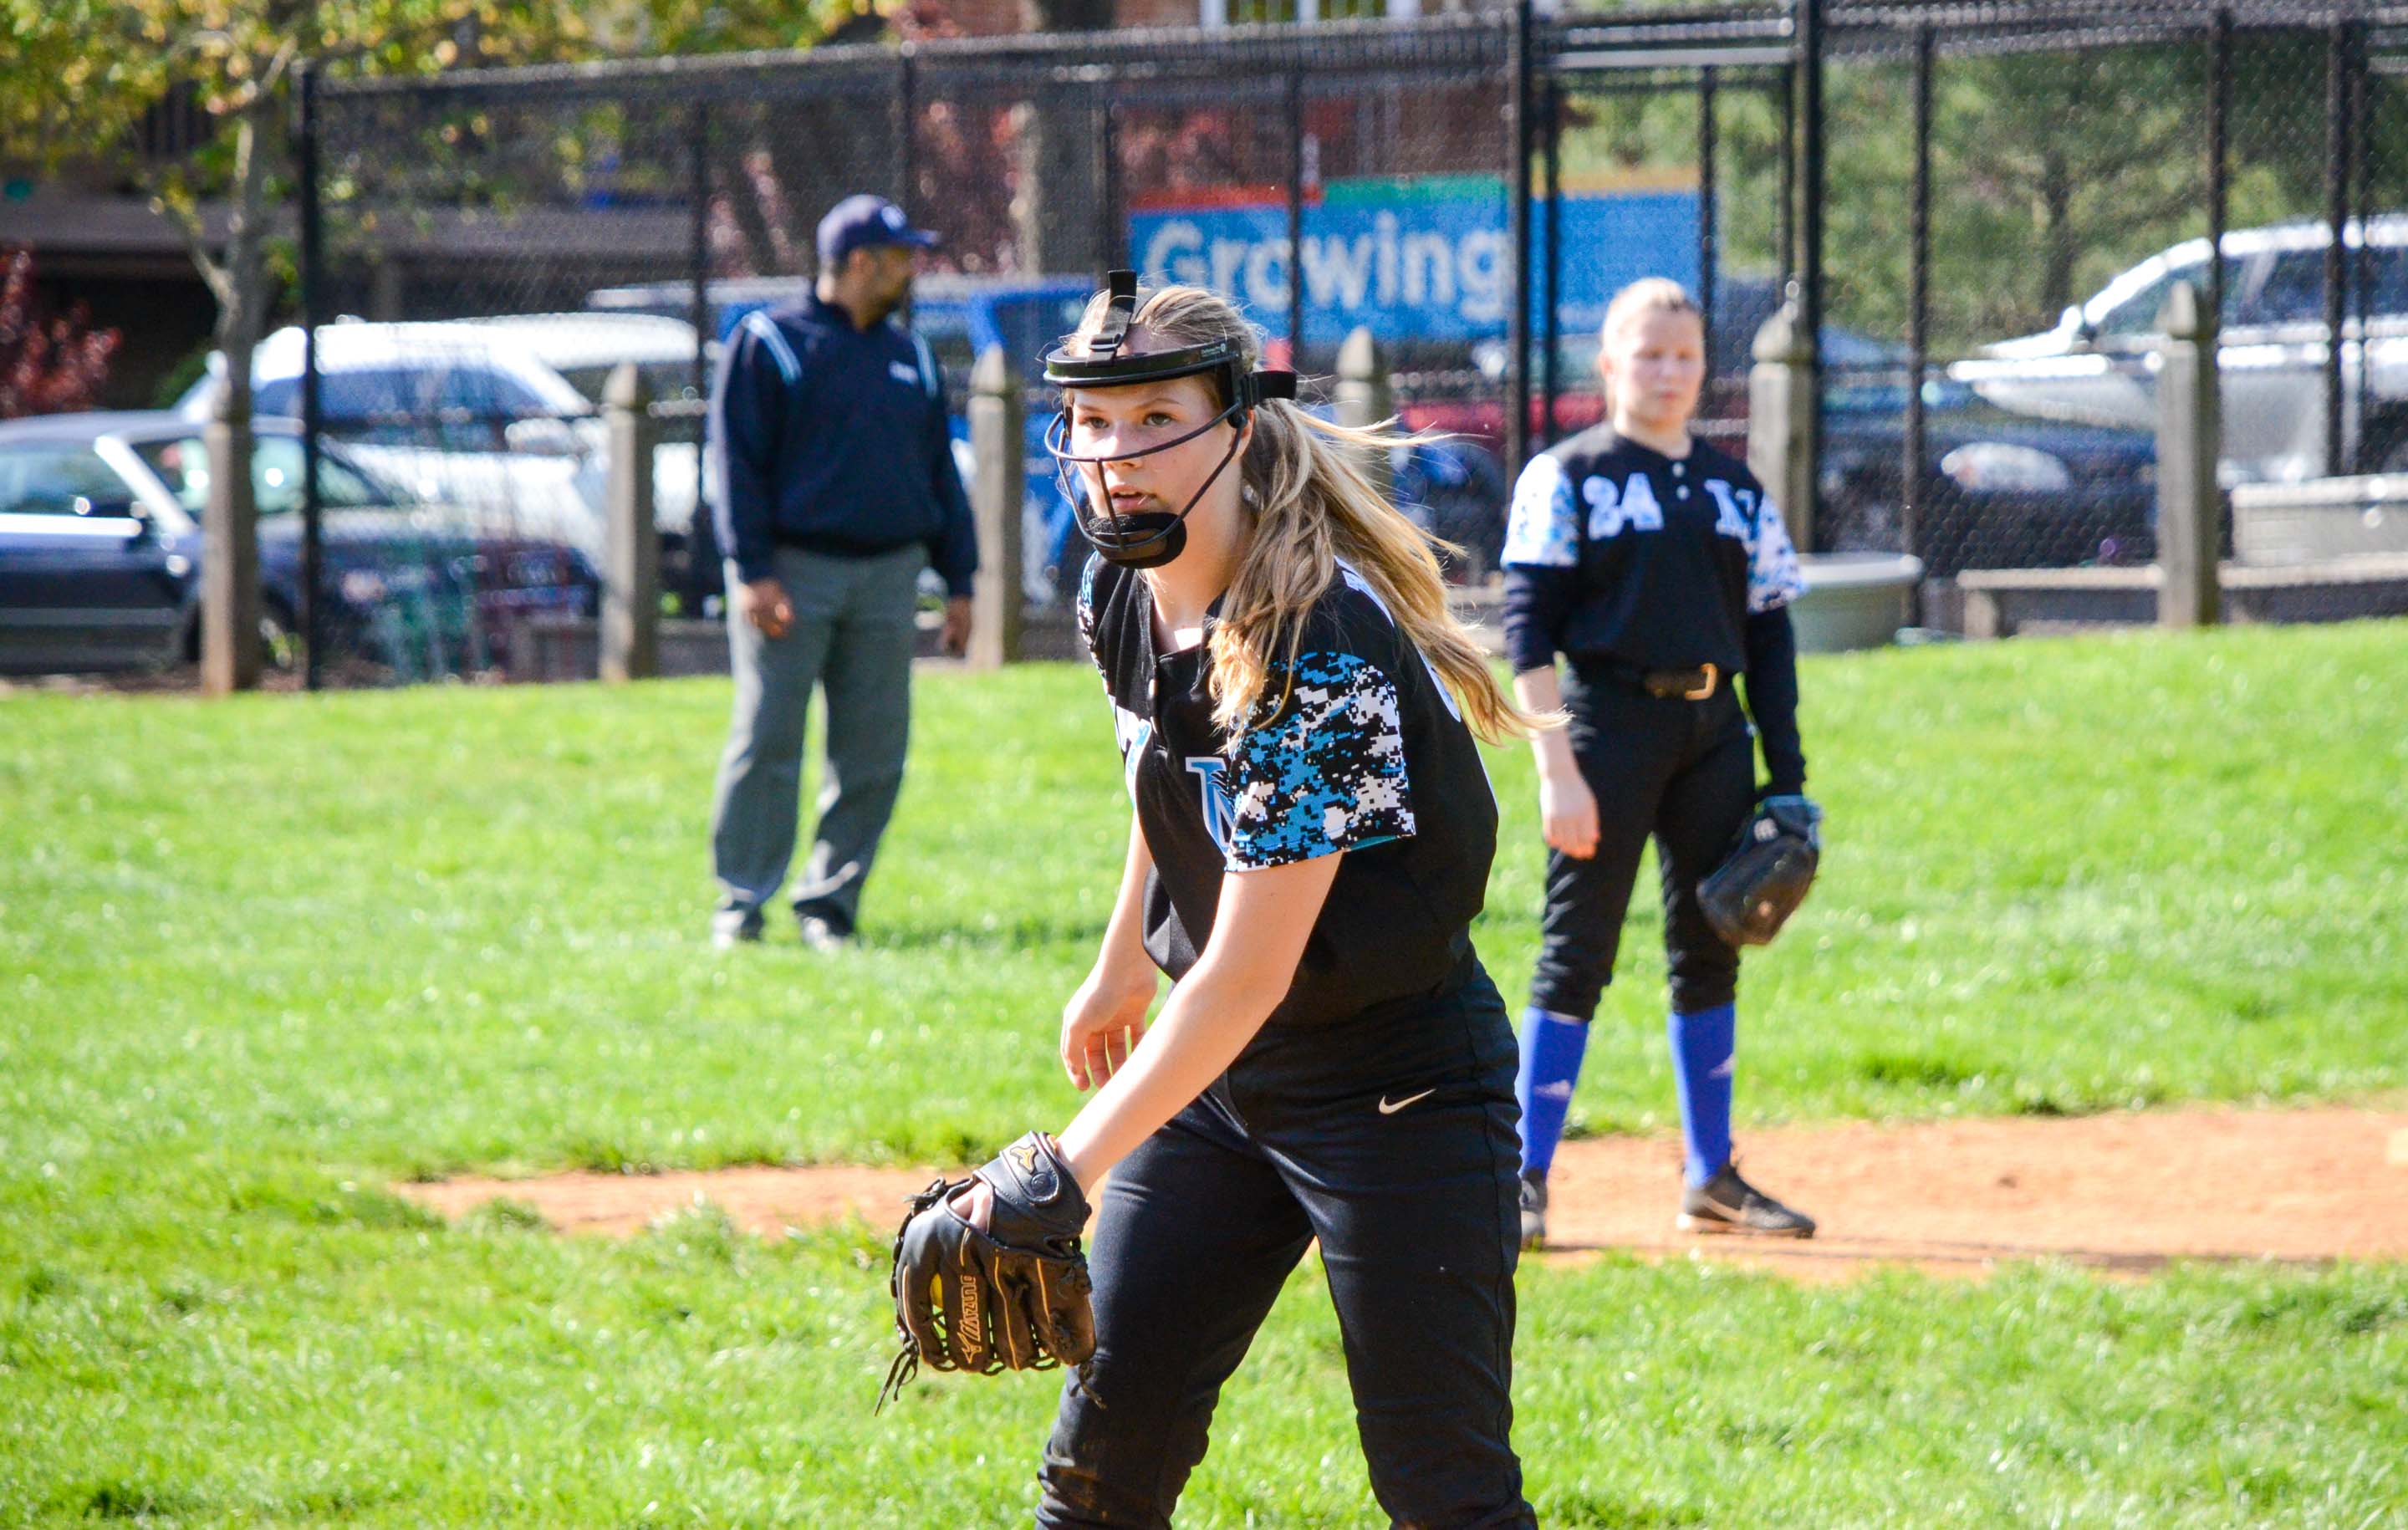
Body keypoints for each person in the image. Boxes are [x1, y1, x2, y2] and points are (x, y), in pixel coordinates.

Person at [911, 275, 1547, 1528]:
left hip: (1396, 1088)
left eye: (1155, 418)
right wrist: (1124, 961)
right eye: (1092, 425)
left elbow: (1253, 969)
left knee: (1443, 1489)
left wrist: (1061, 1166)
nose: (1116, 457)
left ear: (1240, 428)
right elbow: (1174, 784)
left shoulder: (1322, 643)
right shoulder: (1123, 592)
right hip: (1221, 1078)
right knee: (1100, 1466)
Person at [1501, 277, 1817, 1247]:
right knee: (1577, 952)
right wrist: (1557, 767)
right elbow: (1527, 631)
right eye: (1648, 354)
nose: (1668, 372)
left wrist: (1788, 779)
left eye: (1684, 356)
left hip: (1714, 733)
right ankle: (1522, 1178)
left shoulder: (1734, 487)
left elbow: (1770, 638)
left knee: (1710, 945)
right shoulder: (1570, 475)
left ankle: (1710, 1176)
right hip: (1606, 730)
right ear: (1608, 365)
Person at [706, 193, 977, 951]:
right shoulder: (770, 341)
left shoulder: (910, 353)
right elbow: (737, 467)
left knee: (874, 750)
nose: (909, 272)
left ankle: (830, 902)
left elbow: (940, 478)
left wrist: (961, 582)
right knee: (767, 740)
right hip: (792, 573)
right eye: (900, 258)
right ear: (861, 262)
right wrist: (753, 569)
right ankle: (742, 902)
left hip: (889, 579)